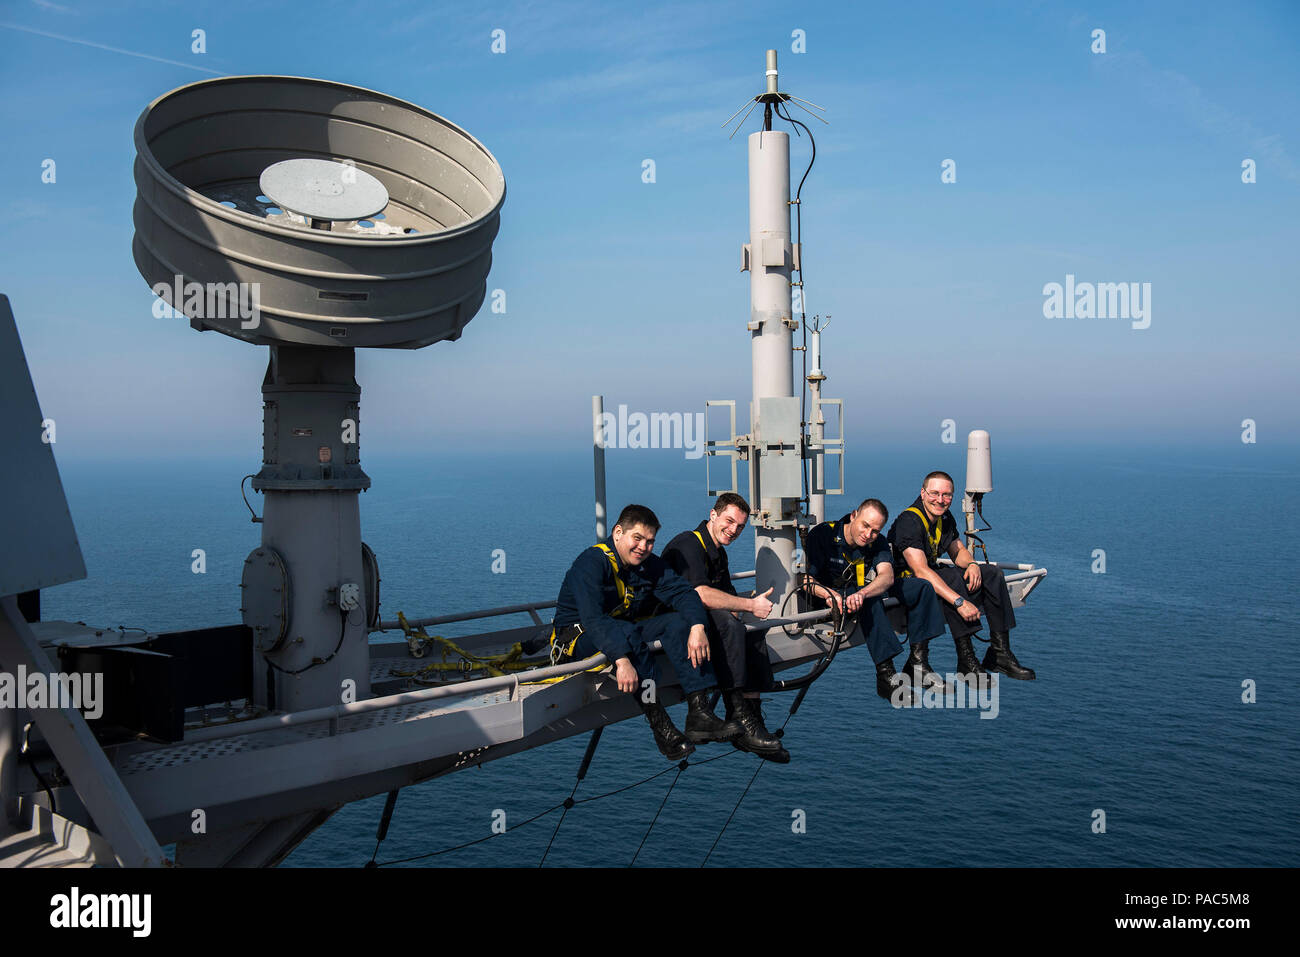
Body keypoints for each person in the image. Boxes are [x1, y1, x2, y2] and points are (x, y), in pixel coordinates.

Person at [552, 504, 744, 761]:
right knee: (627, 632)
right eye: (638, 538)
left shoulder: (647, 564)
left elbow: (683, 593)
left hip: (621, 629)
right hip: (579, 638)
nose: (643, 547)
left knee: (679, 623)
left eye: (650, 541)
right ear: (618, 532)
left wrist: (698, 627)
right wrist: (621, 661)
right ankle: (661, 726)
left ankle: (699, 713)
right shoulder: (591, 563)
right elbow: (594, 619)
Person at [662, 493, 789, 763]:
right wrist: (749, 605)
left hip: (697, 618)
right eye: (729, 521)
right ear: (713, 515)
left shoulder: (717, 551)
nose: (733, 530)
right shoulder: (689, 545)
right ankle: (738, 712)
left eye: (740, 526)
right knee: (731, 626)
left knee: (752, 633)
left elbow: (725, 597)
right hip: (672, 622)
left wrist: (744, 608)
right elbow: (701, 594)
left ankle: (750, 719)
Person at [888, 471, 1034, 680]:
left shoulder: (944, 517)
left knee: (992, 573)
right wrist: (960, 602)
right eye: (935, 493)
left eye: (946, 495)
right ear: (923, 493)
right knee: (952, 578)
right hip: (903, 582)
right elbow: (919, 570)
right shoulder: (909, 521)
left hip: (928, 575)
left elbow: (957, 552)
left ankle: (1000, 653)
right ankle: (966, 657)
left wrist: (973, 564)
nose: (940, 500)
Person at [804, 499, 946, 701]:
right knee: (869, 598)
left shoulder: (876, 541)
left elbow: (887, 576)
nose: (868, 534)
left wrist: (863, 593)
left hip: (859, 592)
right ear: (854, 515)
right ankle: (885, 674)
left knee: (922, 587)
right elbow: (805, 580)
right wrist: (829, 595)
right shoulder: (824, 534)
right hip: (829, 596)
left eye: (875, 531)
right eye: (865, 525)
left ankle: (918, 661)